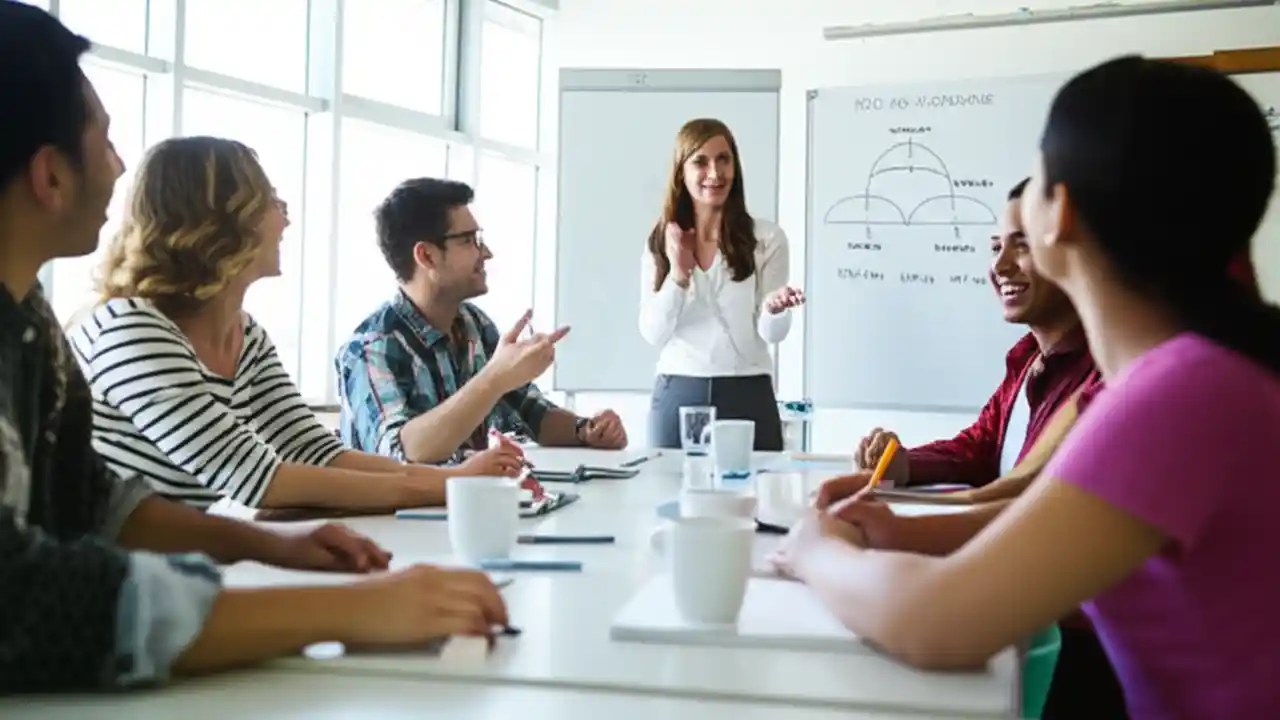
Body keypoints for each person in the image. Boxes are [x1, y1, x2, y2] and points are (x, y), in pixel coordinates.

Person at [0, 1, 506, 692]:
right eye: (106, 141)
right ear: (50, 176)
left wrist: (276, 545)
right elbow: (21, 596)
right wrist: (354, 606)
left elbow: (90, 504)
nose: (118, 169)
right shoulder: (121, 328)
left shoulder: (27, 320)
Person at [772, 55, 1280, 720]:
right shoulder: (1186, 376)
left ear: (1059, 212)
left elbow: (938, 622)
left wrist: (815, 555)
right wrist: (894, 530)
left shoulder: (1183, 397)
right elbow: (1047, 516)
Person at [70, 137, 522, 513]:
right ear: (223, 219)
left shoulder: (245, 335)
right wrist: (453, 485)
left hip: (164, 578)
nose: (285, 218)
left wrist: (456, 478)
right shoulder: (131, 331)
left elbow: (316, 453)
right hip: (98, 594)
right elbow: (259, 479)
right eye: (271, 201)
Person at [336, 178, 627, 464]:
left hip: (466, 504)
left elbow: (531, 412)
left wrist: (586, 431)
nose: (486, 253)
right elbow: (403, 453)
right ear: (426, 255)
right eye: (468, 241)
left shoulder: (473, 323)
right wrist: (496, 377)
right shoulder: (371, 348)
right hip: (395, 513)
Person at [850, 179, 1099, 489]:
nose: (1000, 265)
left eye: (1022, 246)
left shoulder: (1101, 377)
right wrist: (903, 465)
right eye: (996, 247)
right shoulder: (1027, 360)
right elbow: (979, 449)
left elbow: (1024, 496)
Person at [639, 118, 804, 451]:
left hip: (748, 392)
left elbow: (773, 334)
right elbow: (653, 333)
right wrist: (679, 275)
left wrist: (774, 308)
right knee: (670, 498)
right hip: (679, 392)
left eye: (723, 160)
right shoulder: (662, 240)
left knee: (755, 499)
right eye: (700, 162)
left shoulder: (766, 238)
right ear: (680, 172)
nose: (714, 173)